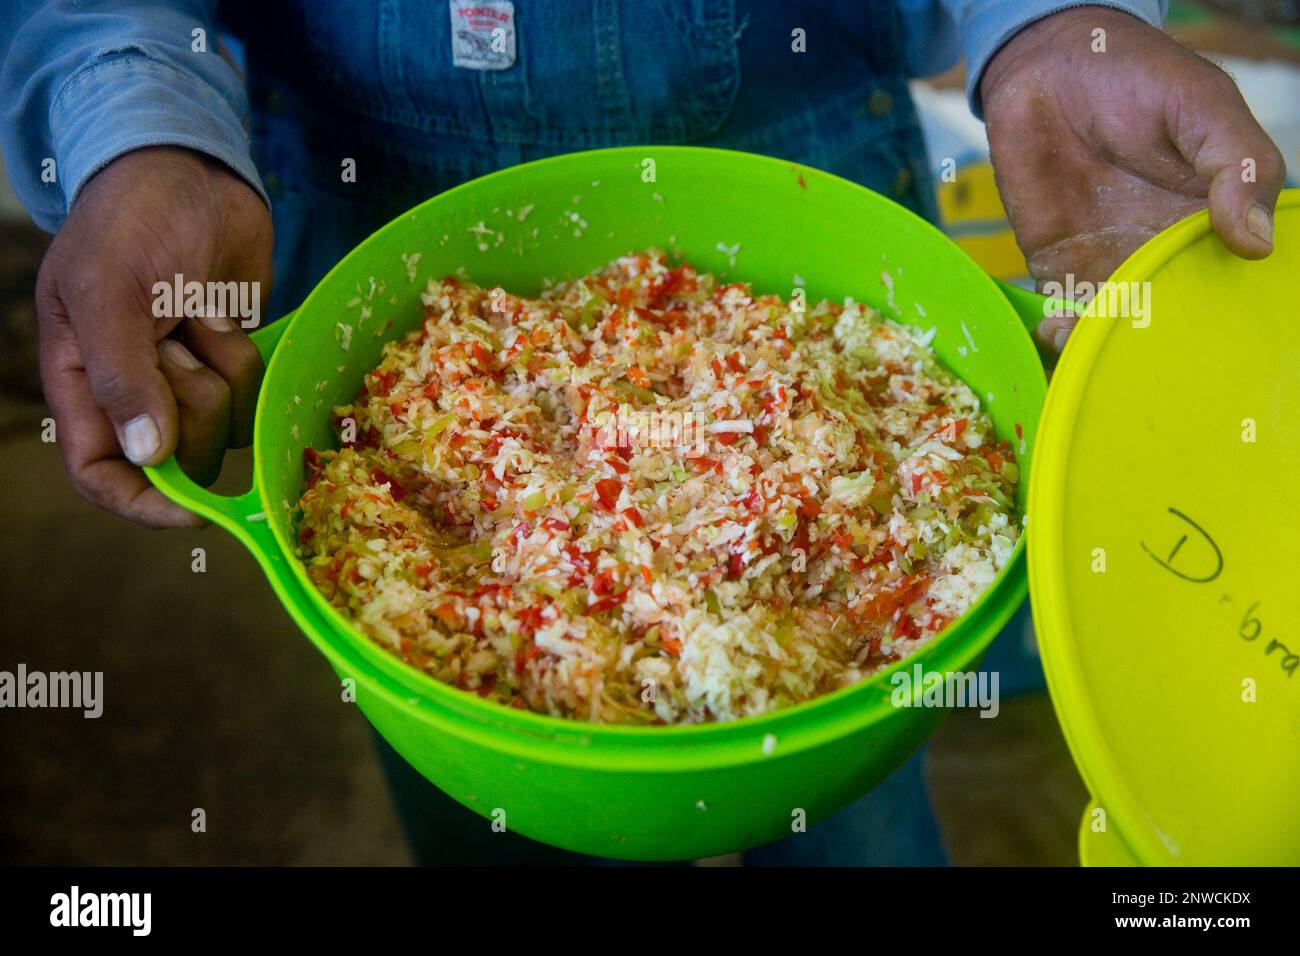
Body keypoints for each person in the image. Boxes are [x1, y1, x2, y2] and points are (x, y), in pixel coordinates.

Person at [0, 1, 1284, 865]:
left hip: (812, 177)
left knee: (853, 808)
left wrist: (1058, 27)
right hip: (357, 184)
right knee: (499, 816)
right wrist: (139, 130)